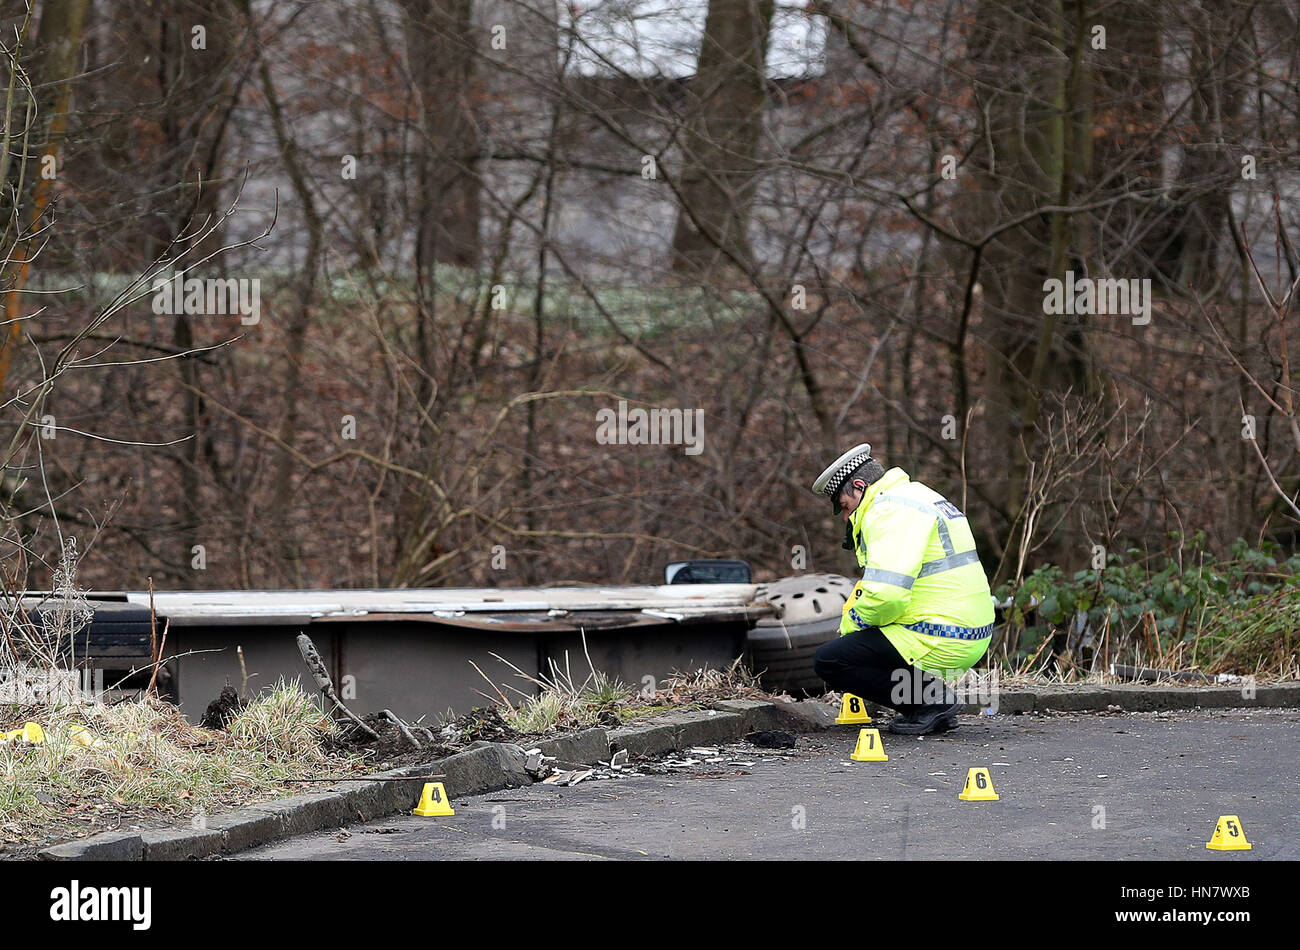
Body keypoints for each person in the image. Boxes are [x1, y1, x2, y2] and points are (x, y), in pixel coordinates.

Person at [810, 443, 995, 735]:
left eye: (844, 506)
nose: (845, 518)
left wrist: (853, 626)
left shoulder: (888, 511)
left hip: (941, 634)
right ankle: (933, 705)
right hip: (970, 630)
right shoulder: (917, 496)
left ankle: (932, 704)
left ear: (859, 487)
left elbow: (887, 595)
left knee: (831, 659)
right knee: (858, 647)